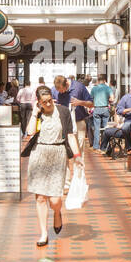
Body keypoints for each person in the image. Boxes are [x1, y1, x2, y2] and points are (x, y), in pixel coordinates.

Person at [24, 84, 82, 246]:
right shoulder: (37, 114)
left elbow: (70, 136)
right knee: (41, 197)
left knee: (55, 199)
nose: (48, 104)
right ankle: (43, 233)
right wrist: (35, 113)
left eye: (49, 100)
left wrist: (77, 156)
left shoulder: (63, 112)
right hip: (39, 155)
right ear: (39, 102)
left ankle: (57, 212)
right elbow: (29, 132)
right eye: (44, 102)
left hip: (58, 154)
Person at [68, 73, 92, 154]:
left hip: (79, 120)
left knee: (79, 148)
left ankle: (78, 165)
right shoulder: (55, 89)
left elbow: (91, 103)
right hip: (64, 123)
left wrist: (80, 102)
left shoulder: (80, 87)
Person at [89, 74, 113, 150]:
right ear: (105, 81)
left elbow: (90, 99)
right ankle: (105, 146)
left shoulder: (94, 89)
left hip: (96, 109)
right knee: (106, 129)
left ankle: (96, 146)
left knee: (97, 128)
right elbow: (112, 99)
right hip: (105, 109)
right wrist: (107, 100)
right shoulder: (108, 88)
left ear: (98, 81)